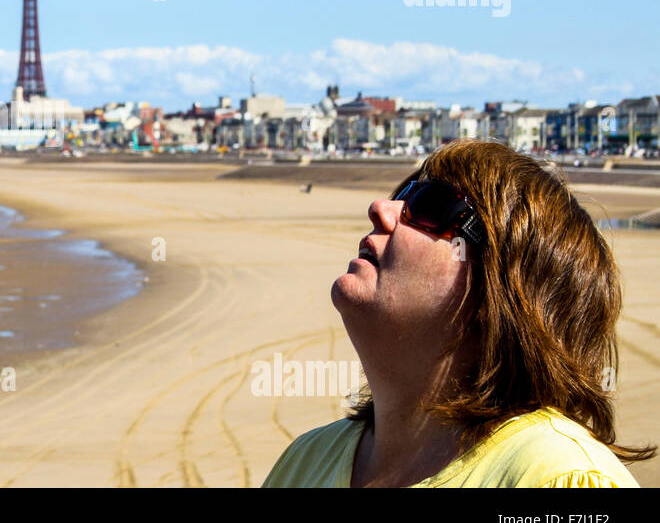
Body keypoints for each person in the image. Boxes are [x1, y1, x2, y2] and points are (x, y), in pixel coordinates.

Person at [263, 139, 654, 487]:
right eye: (402, 193)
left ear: (501, 291)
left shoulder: (559, 476)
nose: (380, 208)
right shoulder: (307, 460)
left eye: (428, 204)